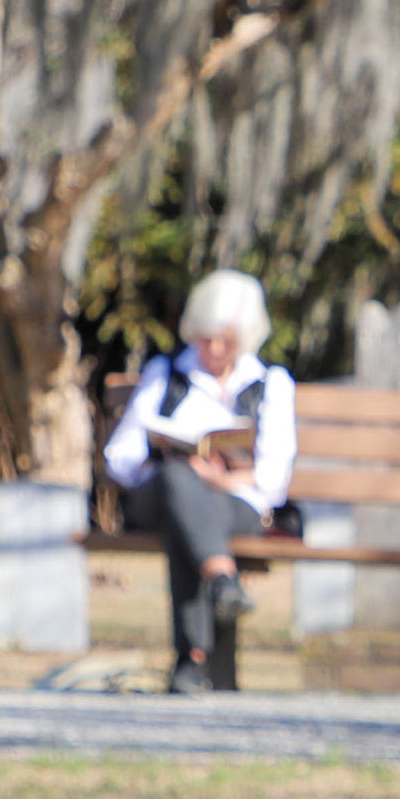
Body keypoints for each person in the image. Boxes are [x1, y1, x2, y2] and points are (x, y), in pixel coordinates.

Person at [101, 270, 298, 693]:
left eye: (225, 339)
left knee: (187, 519)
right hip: (160, 492)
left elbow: (275, 479)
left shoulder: (271, 384)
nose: (212, 348)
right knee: (179, 481)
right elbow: (120, 458)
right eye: (204, 337)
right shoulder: (165, 373)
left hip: (235, 505)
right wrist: (166, 457)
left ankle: (190, 662)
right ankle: (222, 577)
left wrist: (221, 478)